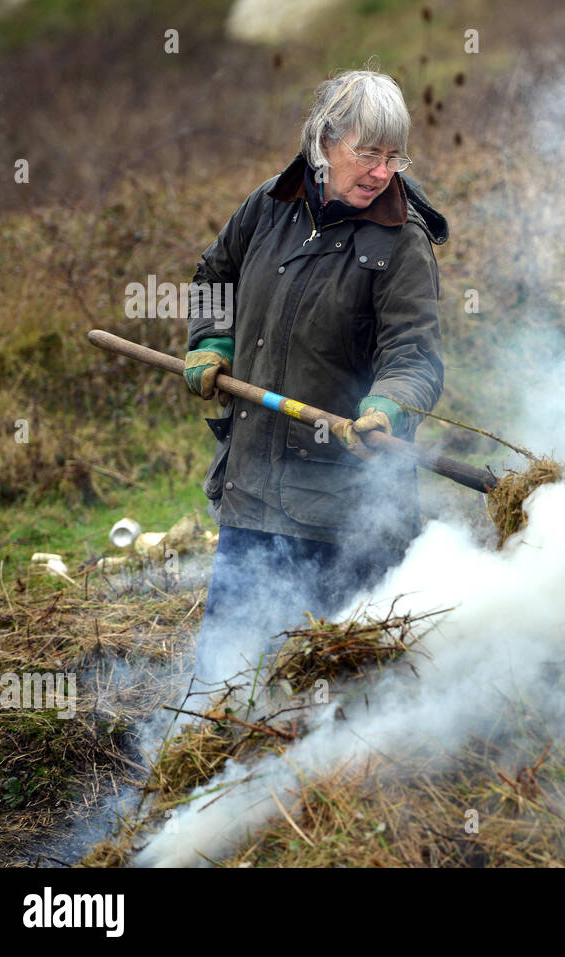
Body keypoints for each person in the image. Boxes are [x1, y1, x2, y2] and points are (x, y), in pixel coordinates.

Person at [182, 68, 448, 685]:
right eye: (369, 154)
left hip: (343, 514)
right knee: (224, 679)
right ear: (323, 143)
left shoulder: (400, 241)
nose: (384, 172)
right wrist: (212, 341)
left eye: (393, 156)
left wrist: (387, 407)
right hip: (250, 492)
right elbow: (213, 278)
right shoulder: (269, 208)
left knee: (331, 695)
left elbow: (414, 354)